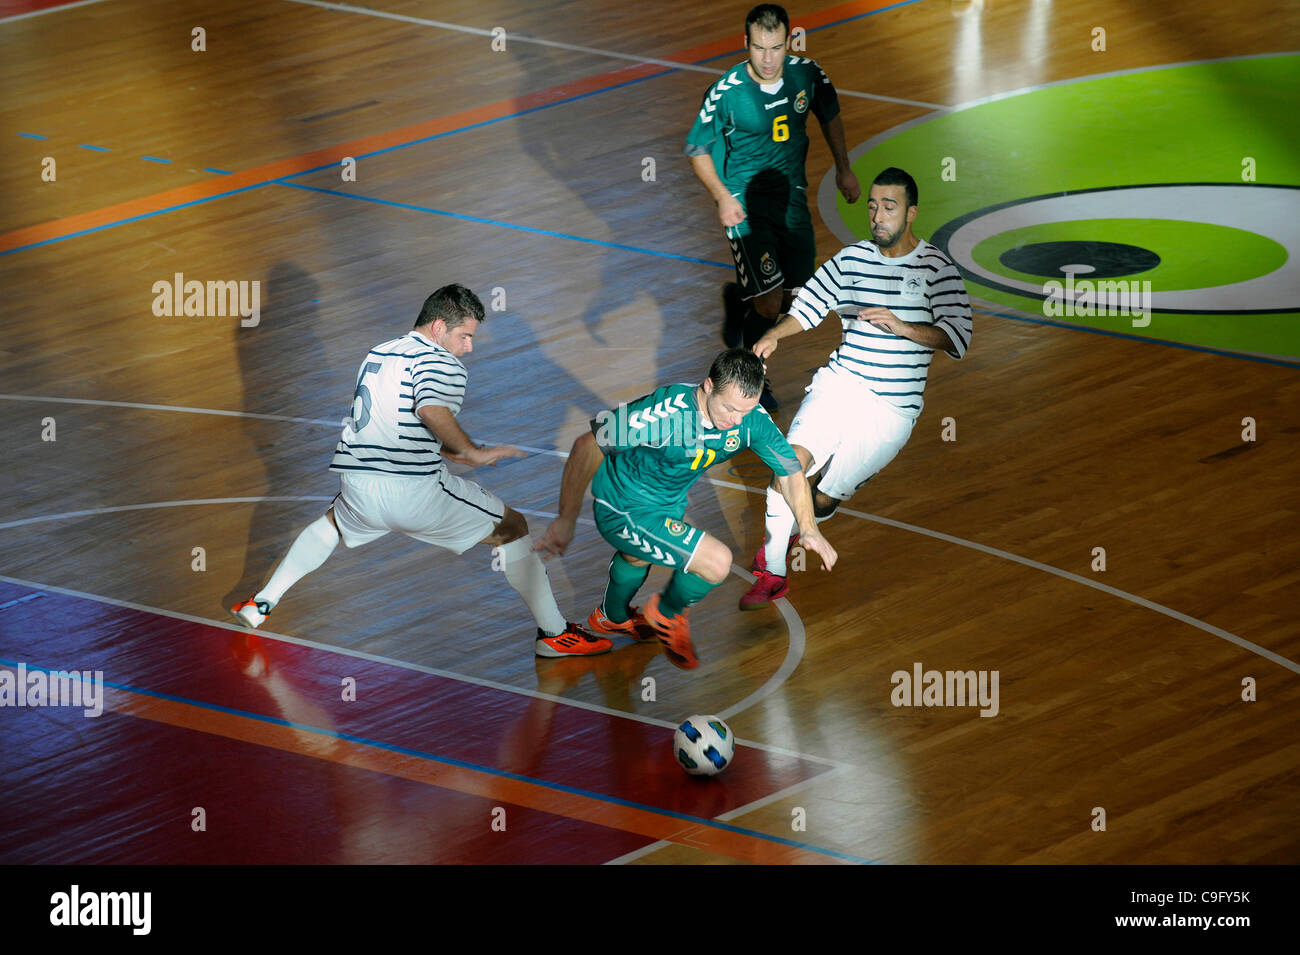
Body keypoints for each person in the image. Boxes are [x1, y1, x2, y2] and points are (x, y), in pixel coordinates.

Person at [230, 284, 611, 658]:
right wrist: (469, 452)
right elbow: (429, 409)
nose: (469, 347)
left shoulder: (378, 353)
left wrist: (451, 451)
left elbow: (397, 419)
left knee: (331, 524)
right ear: (439, 327)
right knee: (513, 528)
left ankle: (261, 603)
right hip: (412, 492)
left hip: (357, 485)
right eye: (465, 336)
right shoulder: (443, 362)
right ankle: (555, 634)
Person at [740, 167, 973, 608]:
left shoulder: (936, 269)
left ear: (911, 214)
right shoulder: (851, 260)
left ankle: (799, 525)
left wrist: (904, 327)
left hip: (894, 409)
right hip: (841, 384)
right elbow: (808, 305)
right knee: (788, 465)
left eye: (889, 207)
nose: (878, 215)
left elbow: (958, 336)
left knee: (823, 498)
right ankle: (771, 571)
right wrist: (775, 335)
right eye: (872, 205)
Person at [534, 348, 837, 670]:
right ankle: (668, 613)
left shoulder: (750, 419)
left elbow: (791, 472)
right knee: (716, 562)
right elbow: (587, 445)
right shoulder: (664, 414)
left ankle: (611, 617)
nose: (736, 421)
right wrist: (565, 519)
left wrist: (808, 528)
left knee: (637, 555)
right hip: (622, 505)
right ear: (708, 386)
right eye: (730, 409)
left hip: (668, 503)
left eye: (745, 412)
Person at [684, 3, 860, 410]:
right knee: (768, 300)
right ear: (746, 43)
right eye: (759, 48)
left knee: (794, 302)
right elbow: (696, 148)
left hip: (791, 199)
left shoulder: (807, 74)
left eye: (776, 48)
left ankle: (738, 301)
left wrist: (844, 168)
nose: (767, 59)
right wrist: (722, 197)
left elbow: (829, 113)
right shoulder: (727, 92)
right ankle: (752, 383)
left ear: (788, 43)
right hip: (745, 204)